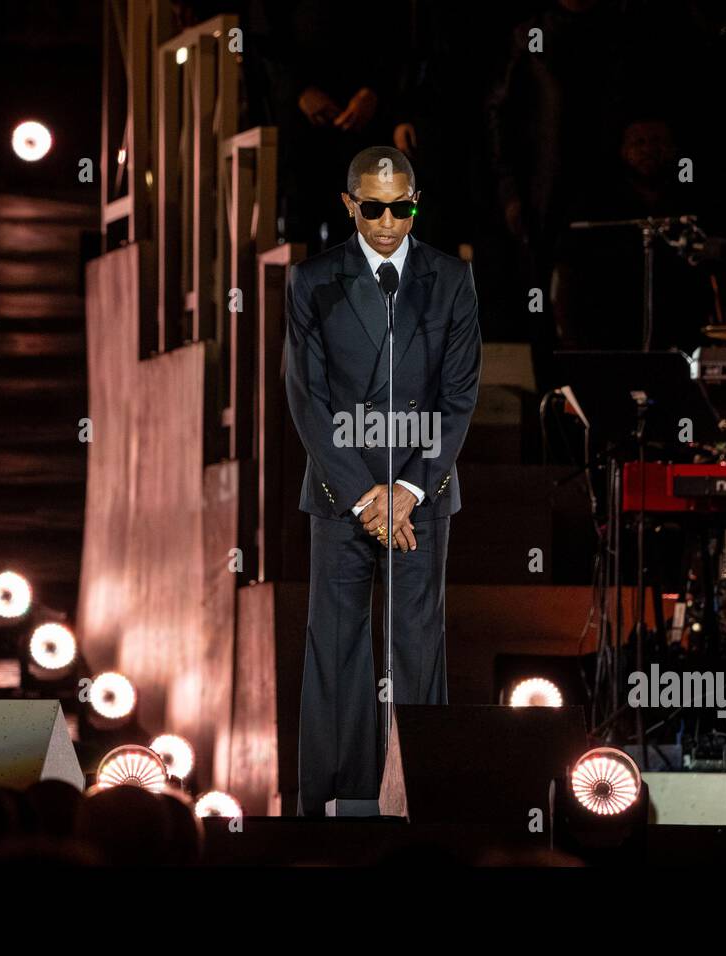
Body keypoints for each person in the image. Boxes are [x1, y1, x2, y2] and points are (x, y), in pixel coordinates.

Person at [284, 146, 481, 815]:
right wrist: (367, 493)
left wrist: (408, 490)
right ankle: (337, 802)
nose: (390, 221)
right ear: (349, 205)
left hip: (421, 494)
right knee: (335, 641)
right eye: (374, 208)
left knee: (419, 643)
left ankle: (418, 797)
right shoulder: (312, 280)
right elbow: (307, 398)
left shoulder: (451, 278)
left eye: (403, 207)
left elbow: (459, 397)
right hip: (344, 495)